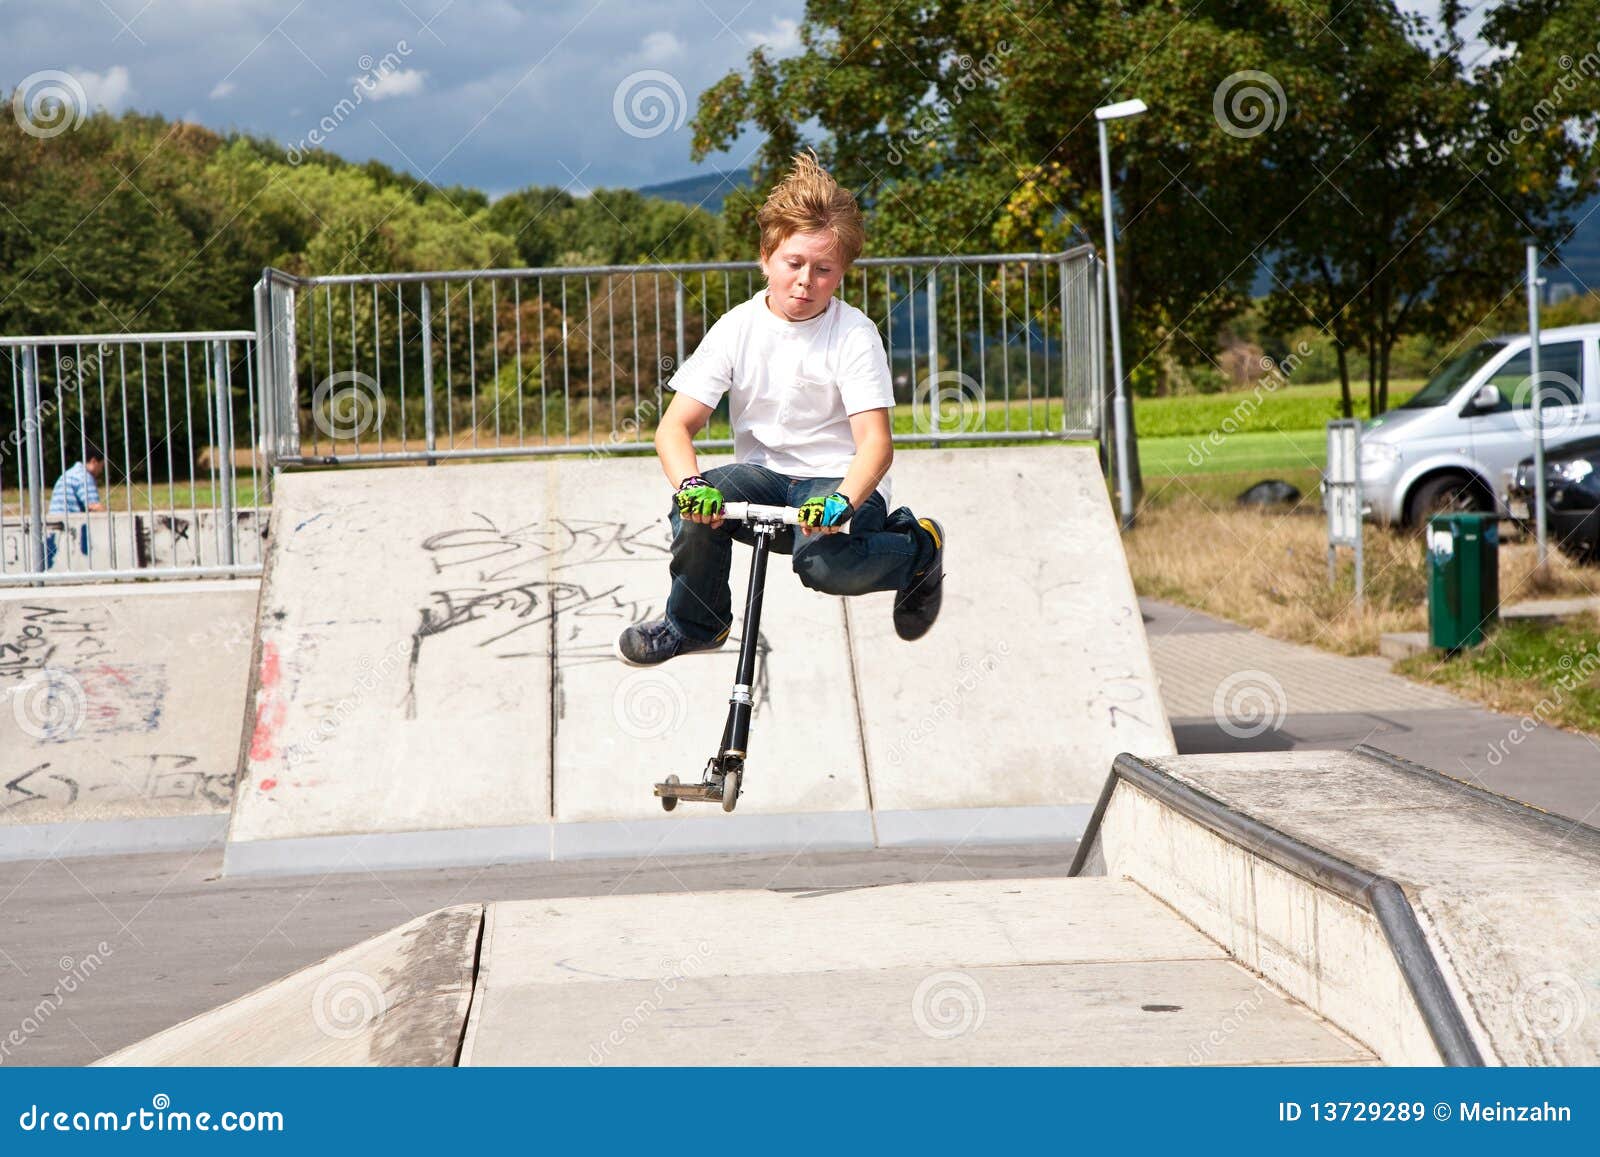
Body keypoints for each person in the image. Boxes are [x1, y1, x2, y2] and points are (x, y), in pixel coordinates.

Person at [615, 150, 945, 667]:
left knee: (822, 566)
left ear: (842, 273)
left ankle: (919, 551)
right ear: (766, 258)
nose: (805, 281)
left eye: (824, 270)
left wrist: (843, 503)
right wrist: (691, 485)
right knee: (698, 506)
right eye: (793, 264)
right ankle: (696, 623)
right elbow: (675, 428)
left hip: (837, 483)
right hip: (766, 479)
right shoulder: (737, 327)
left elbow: (876, 445)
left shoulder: (854, 333)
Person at [48, 447, 107, 515]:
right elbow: (94, 507)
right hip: (70, 523)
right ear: (93, 461)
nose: (101, 471)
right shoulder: (84, 476)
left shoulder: (68, 474)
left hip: (54, 520)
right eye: (101, 466)